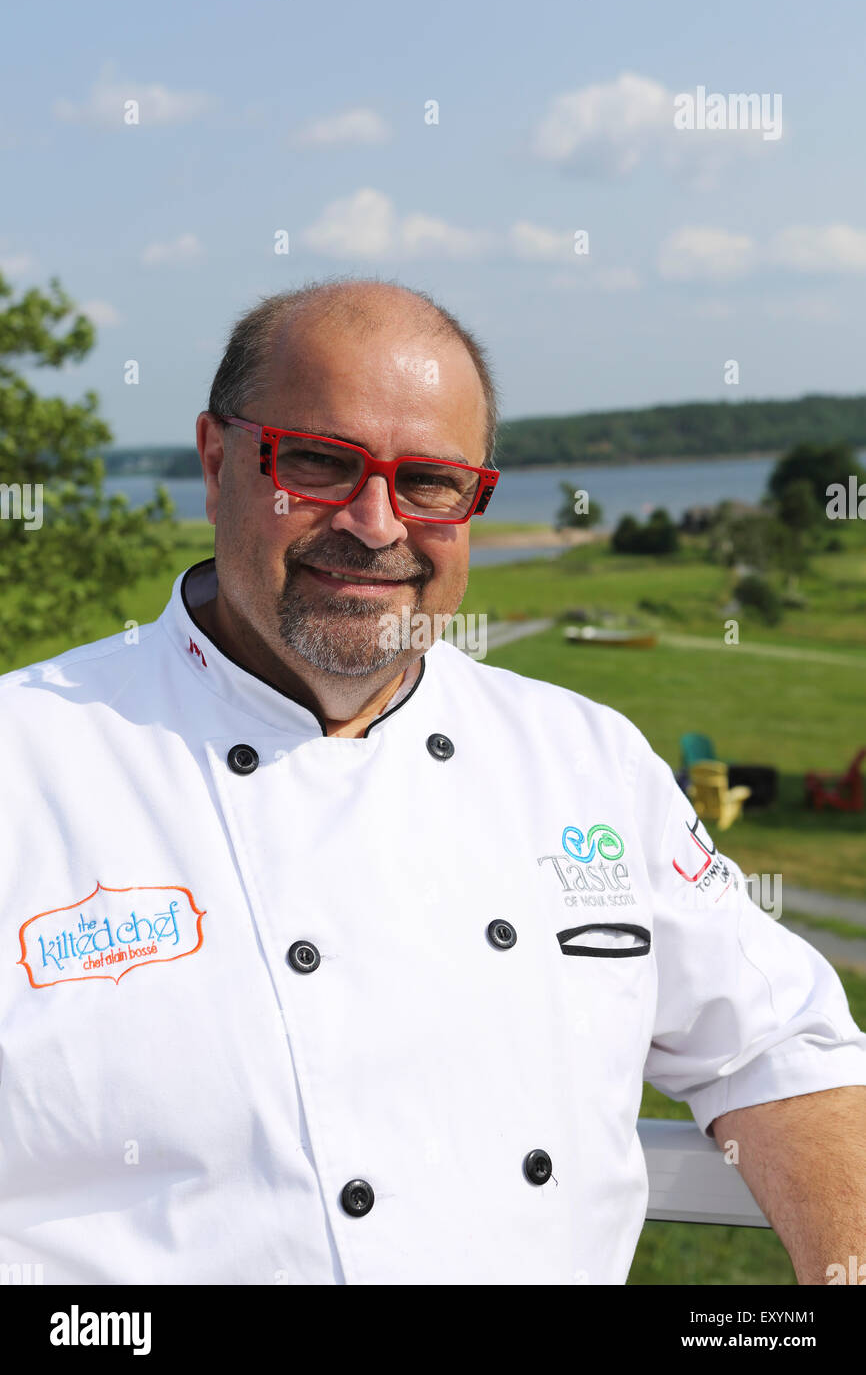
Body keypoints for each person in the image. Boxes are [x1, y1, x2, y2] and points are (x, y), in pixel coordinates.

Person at [2, 277, 865, 1286]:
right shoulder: (29, 762)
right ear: (215, 456)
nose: (375, 524)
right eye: (320, 462)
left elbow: (779, 1046)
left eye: (431, 481)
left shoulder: (582, 760)